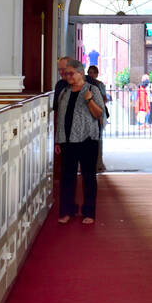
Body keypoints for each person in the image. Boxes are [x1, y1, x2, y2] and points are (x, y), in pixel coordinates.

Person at [55, 60, 105, 224]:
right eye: (66, 73)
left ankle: (89, 212)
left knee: (88, 176)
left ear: (80, 73)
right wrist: (58, 140)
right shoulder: (64, 92)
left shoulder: (92, 89)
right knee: (67, 177)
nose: (67, 76)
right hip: (67, 141)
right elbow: (61, 117)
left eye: (70, 73)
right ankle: (67, 211)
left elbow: (99, 114)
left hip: (87, 140)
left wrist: (89, 100)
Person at [87, 64, 110, 172]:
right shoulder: (85, 84)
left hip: (98, 113)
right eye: (89, 72)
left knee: (98, 138)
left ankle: (98, 163)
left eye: (93, 72)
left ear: (96, 74)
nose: (91, 74)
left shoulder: (99, 85)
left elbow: (105, 98)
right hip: (88, 113)